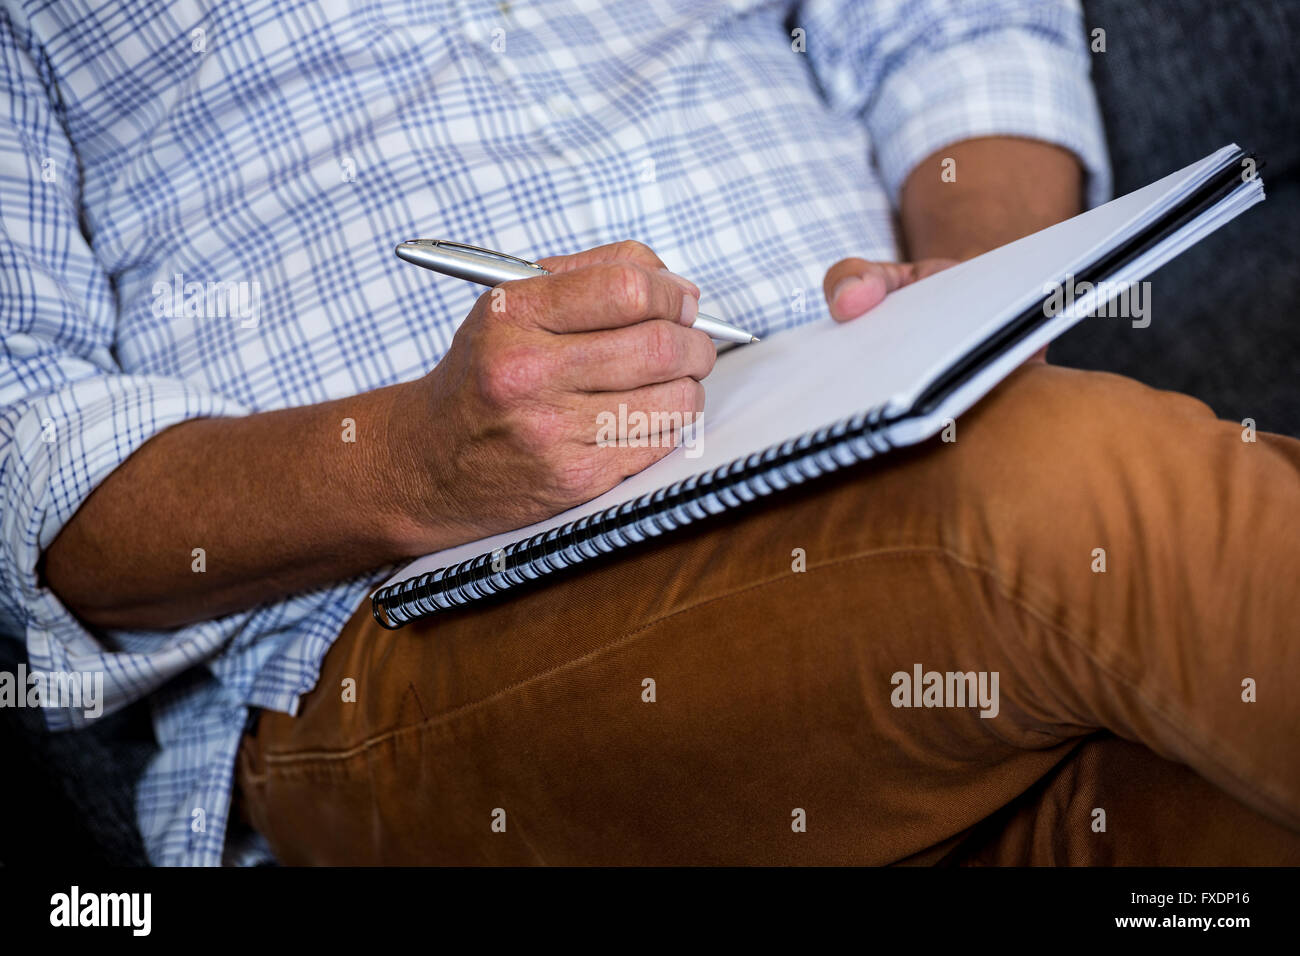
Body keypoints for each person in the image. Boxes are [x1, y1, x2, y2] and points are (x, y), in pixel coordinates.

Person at [2, 0, 1296, 865]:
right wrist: (411, 462)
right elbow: (30, 458)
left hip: (880, 425)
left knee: (1215, 811)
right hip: (401, 628)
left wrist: (965, 287)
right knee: (1071, 513)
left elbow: (952, 29)